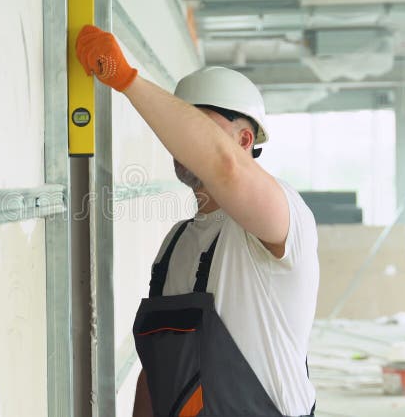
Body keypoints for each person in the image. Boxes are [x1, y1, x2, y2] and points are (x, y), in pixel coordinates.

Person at [75, 25, 319, 417]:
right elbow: (159, 372)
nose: (180, 140)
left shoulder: (278, 219)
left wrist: (126, 80)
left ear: (243, 141)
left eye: (196, 127)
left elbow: (227, 170)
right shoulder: (176, 243)